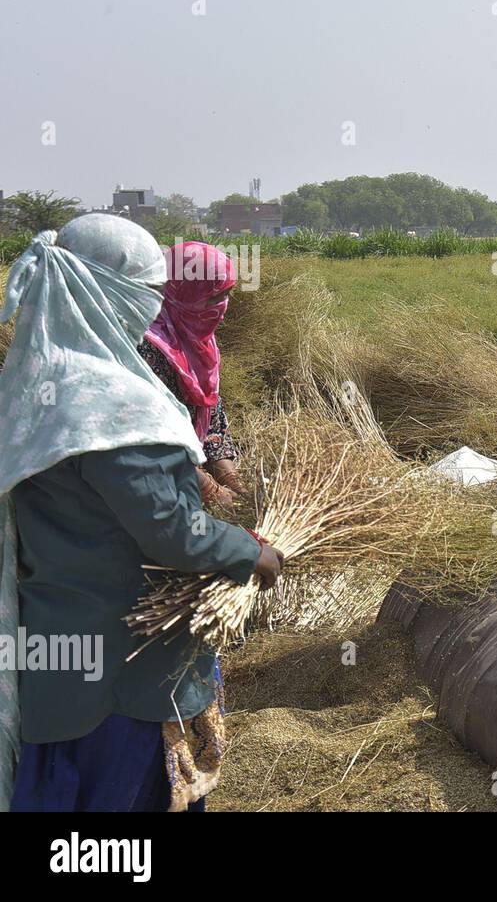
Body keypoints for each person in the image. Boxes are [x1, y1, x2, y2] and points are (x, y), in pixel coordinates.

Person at [0, 214, 284, 812]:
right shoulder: (107, 401)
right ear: (108, 291)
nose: (153, 306)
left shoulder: (41, 379)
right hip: (122, 665)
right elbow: (170, 530)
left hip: (60, 643)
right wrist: (251, 552)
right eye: (147, 291)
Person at [140, 241, 244, 511]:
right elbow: (148, 444)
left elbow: (211, 422)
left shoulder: (199, 340)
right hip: (149, 486)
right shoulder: (145, 351)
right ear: (181, 293)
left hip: (187, 474)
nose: (223, 306)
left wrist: (230, 478)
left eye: (227, 294)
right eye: (213, 298)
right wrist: (207, 487)